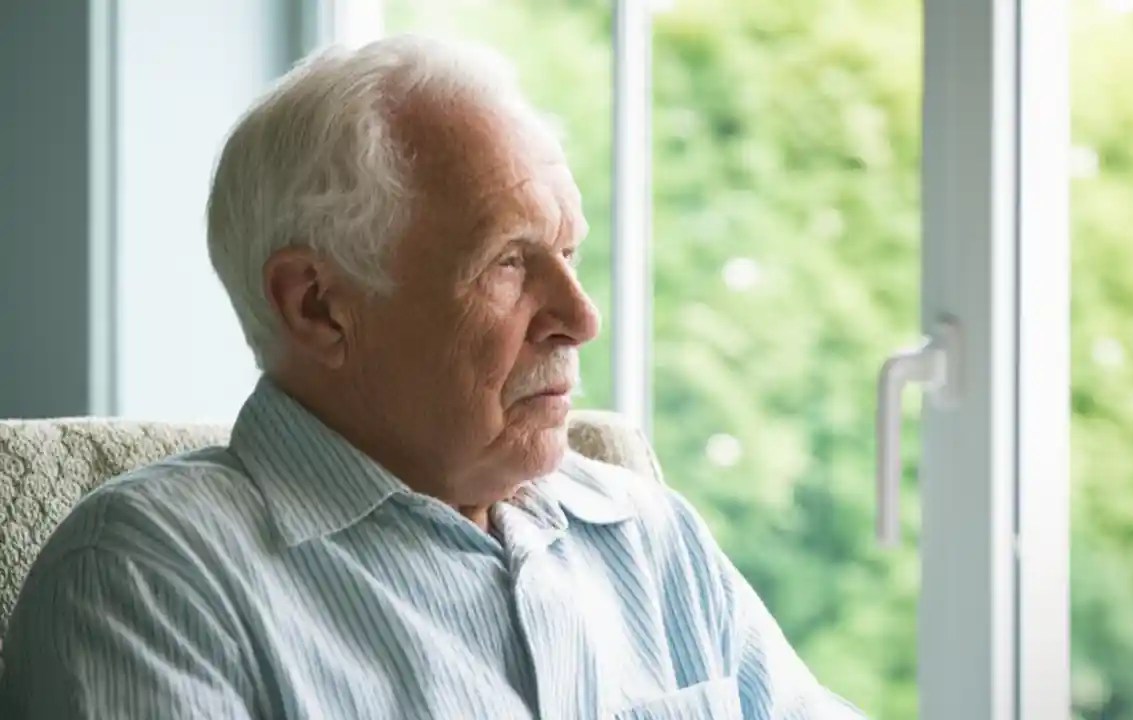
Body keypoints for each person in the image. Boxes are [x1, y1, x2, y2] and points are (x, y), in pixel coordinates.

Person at [0, 36, 863, 719]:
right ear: (318, 307)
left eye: (567, 253)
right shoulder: (147, 581)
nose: (580, 316)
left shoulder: (650, 537)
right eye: (509, 263)